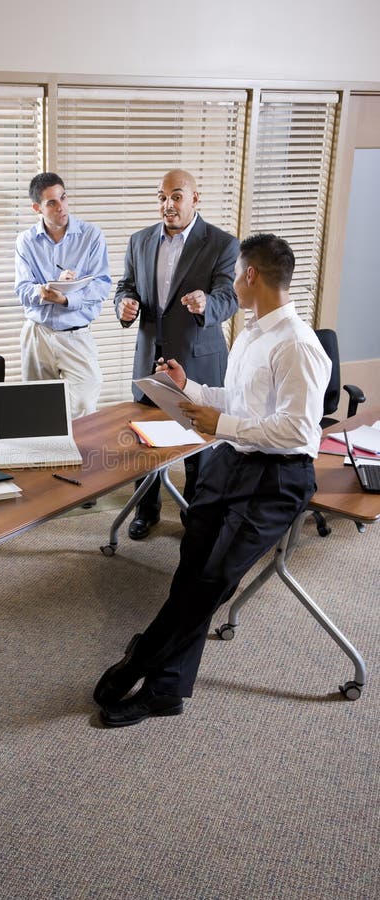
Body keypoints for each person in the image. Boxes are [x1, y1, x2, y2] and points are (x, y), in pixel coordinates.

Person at [94, 234, 332, 728]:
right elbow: (237, 400)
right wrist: (189, 389)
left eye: (236, 274)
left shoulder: (298, 345)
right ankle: (167, 690)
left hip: (278, 477)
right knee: (191, 572)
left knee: (211, 581)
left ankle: (143, 655)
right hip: (233, 459)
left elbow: (296, 430)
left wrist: (218, 425)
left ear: (251, 276)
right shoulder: (250, 333)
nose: (228, 284)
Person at [115, 168, 239, 540]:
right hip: (150, 357)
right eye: (162, 197)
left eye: (176, 196)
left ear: (195, 199)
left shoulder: (221, 243)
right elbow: (126, 287)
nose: (167, 205)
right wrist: (123, 304)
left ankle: (196, 515)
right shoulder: (139, 240)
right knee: (147, 441)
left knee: (200, 445)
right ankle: (146, 510)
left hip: (199, 359)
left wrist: (206, 303)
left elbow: (229, 297)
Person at [14, 172, 111, 419]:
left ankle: (81, 456)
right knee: (39, 410)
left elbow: (101, 285)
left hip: (75, 333)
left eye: (63, 198)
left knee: (83, 404)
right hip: (38, 334)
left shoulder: (91, 236)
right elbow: (23, 289)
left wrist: (67, 297)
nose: (61, 207)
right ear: (37, 208)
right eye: (52, 203)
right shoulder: (25, 241)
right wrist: (44, 291)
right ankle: (46, 457)